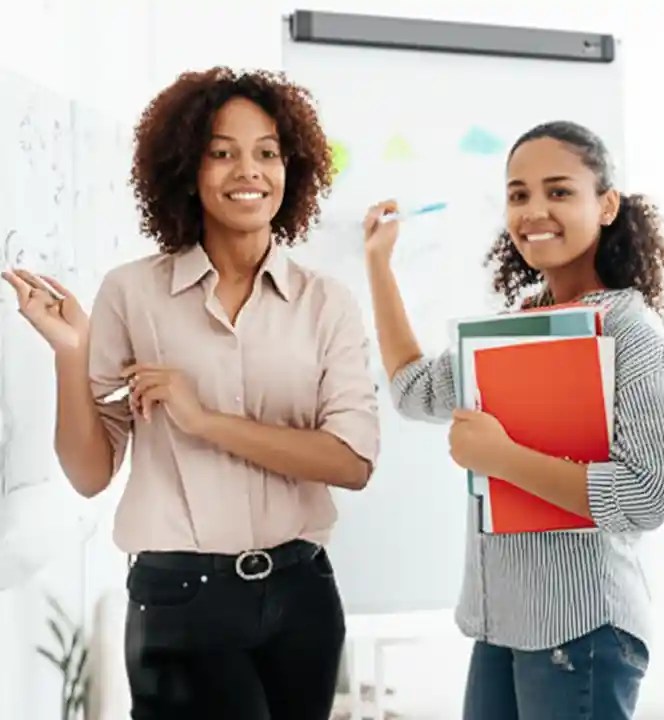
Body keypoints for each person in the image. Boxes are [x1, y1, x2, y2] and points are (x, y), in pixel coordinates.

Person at [2, 67, 380, 719]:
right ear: (185, 167)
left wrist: (203, 419)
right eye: (222, 152)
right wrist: (72, 355)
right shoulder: (132, 293)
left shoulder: (327, 303)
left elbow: (351, 461)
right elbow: (91, 474)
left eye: (267, 152)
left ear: (293, 167)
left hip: (303, 597)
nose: (249, 171)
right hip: (179, 597)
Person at [361, 120, 664, 720]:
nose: (535, 210)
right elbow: (411, 390)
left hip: (582, 628)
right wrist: (379, 265)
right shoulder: (516, 325)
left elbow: (646, 497)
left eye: (559, 191)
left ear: (607, 205)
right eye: (518, 194)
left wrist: (502, 458)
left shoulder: (629, 332)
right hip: (504, 622)